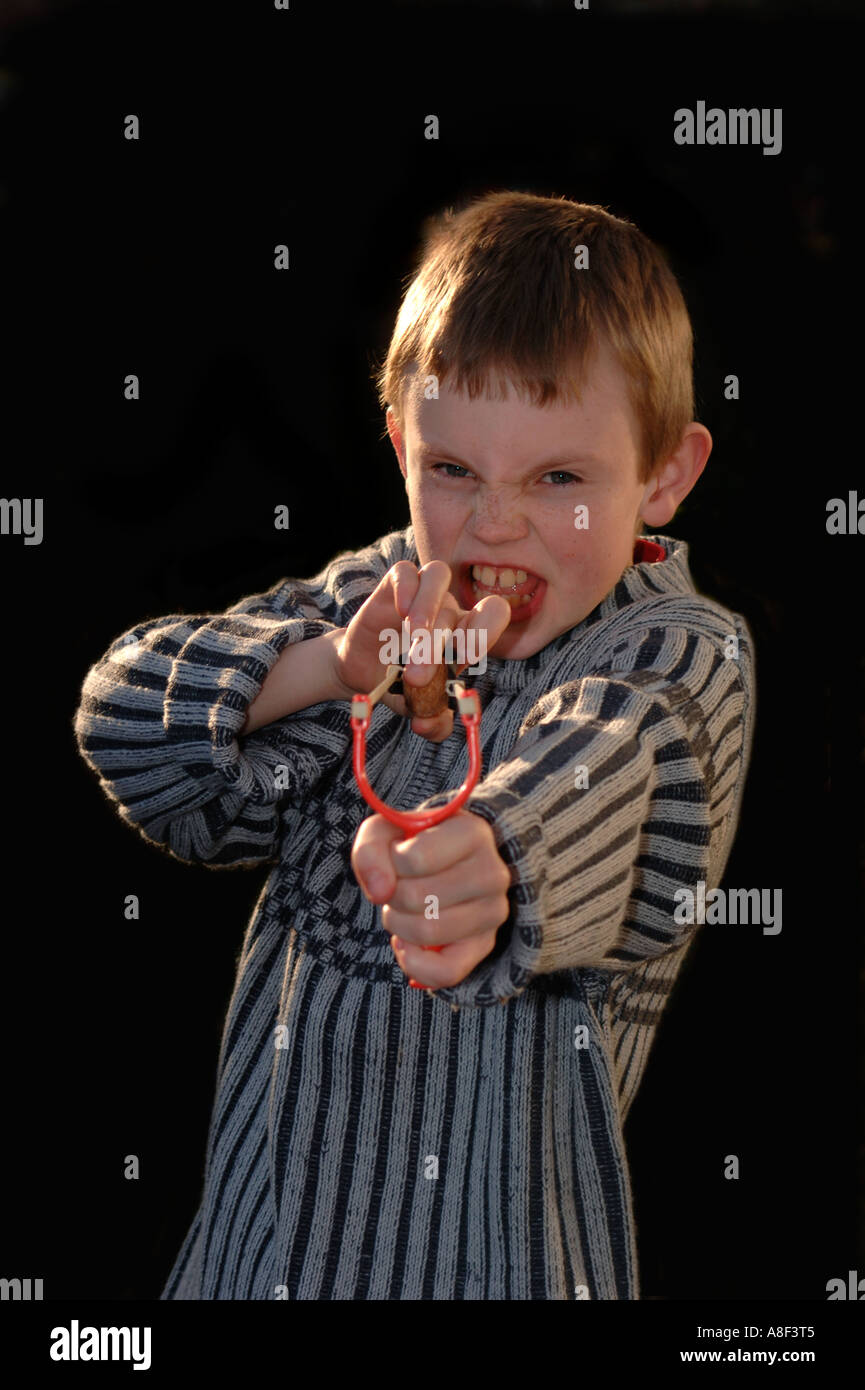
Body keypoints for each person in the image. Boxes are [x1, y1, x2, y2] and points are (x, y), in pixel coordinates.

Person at [73, 190, 755, 1299]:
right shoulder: (374, 598)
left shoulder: (680, 654)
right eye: (453, 470)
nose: (494, 524)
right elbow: (121, 719)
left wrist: (483, 860)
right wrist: (334, 670)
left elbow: (616, 767)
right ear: (399, 445)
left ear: (664, 476)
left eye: (559, 479)